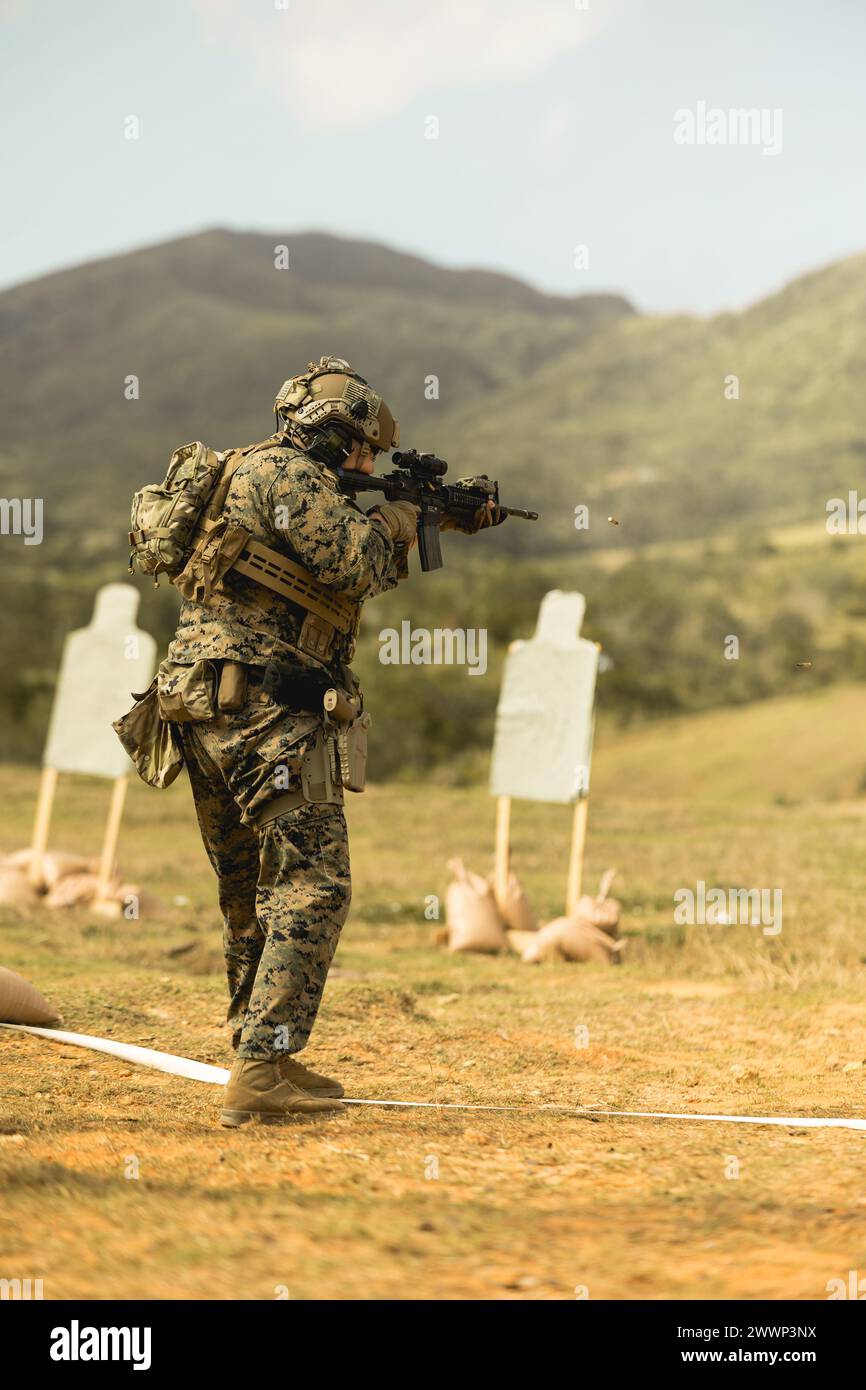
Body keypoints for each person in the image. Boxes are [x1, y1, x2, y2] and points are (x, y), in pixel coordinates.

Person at [157, 356, 498, 1128]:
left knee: (249, 890)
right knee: (313, 885)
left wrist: (435, 510)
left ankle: (262, 1051)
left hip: (201, 704)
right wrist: (401, 521)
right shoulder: (292, 479)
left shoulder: (243, 471)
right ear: (336, 435)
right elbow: (359, 561)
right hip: (265, 710)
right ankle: (260, 1069)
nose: (371, 466)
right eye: (364, 451)